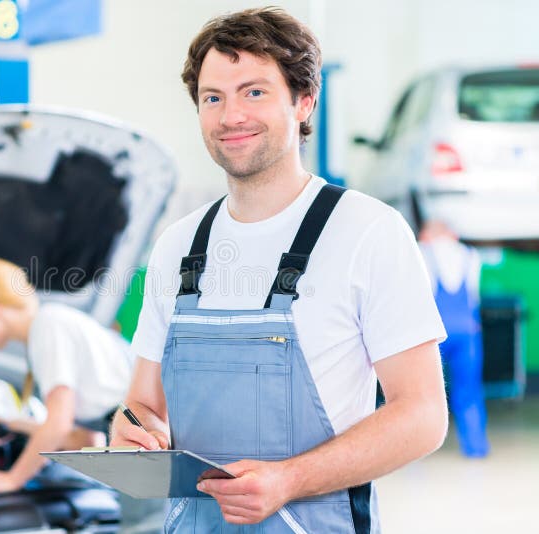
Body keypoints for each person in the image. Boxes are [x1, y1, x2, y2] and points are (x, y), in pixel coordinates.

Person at [109, 7, 449, 532]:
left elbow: (423, 416)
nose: (230, 116)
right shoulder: (177, 246)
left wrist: (289, 479)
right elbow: (143, 404)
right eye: (212, 98)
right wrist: (133, 432)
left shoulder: (367, 231)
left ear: (303, 100)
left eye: (255, 92)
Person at [0, 257, 134, 493]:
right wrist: (13, 426)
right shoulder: (50, 324)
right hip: (137, 445)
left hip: (148, 444)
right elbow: (86, 441)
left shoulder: (48, 326)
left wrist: (10, 480)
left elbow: (58, 425)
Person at [419, 221, 490, 458]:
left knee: (423, 393)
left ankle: (417, 449)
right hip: (467, 331)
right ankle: (475, 448)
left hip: (434, 332)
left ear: (428, 233)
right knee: (469, 389)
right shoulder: (471, 255)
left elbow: (420, 295)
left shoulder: (422, 251)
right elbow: (473, 295)